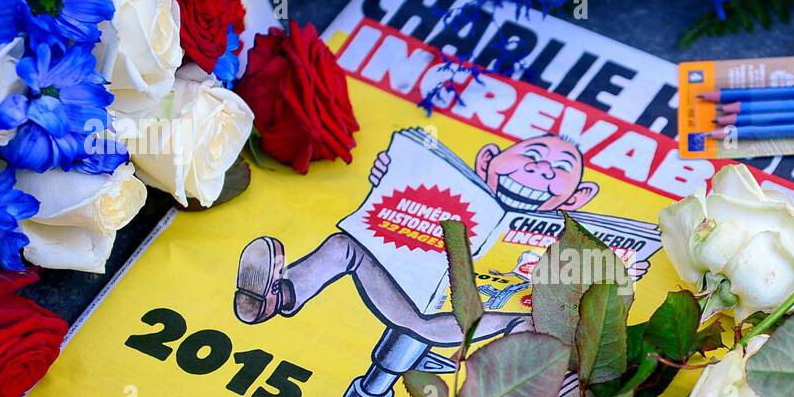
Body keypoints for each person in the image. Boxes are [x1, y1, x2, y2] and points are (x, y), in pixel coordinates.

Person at [232, 134, 599, 345]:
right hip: (400, 295)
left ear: (577, 197)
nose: (539, 170)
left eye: (560, 169)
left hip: (470, 324)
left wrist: (622, 270)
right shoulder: (448, 187)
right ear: (486, 160)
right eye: (531, 156)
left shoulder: (569, 240)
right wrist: (390, 179)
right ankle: (275, 297)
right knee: (344, 246)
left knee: (534, 324)